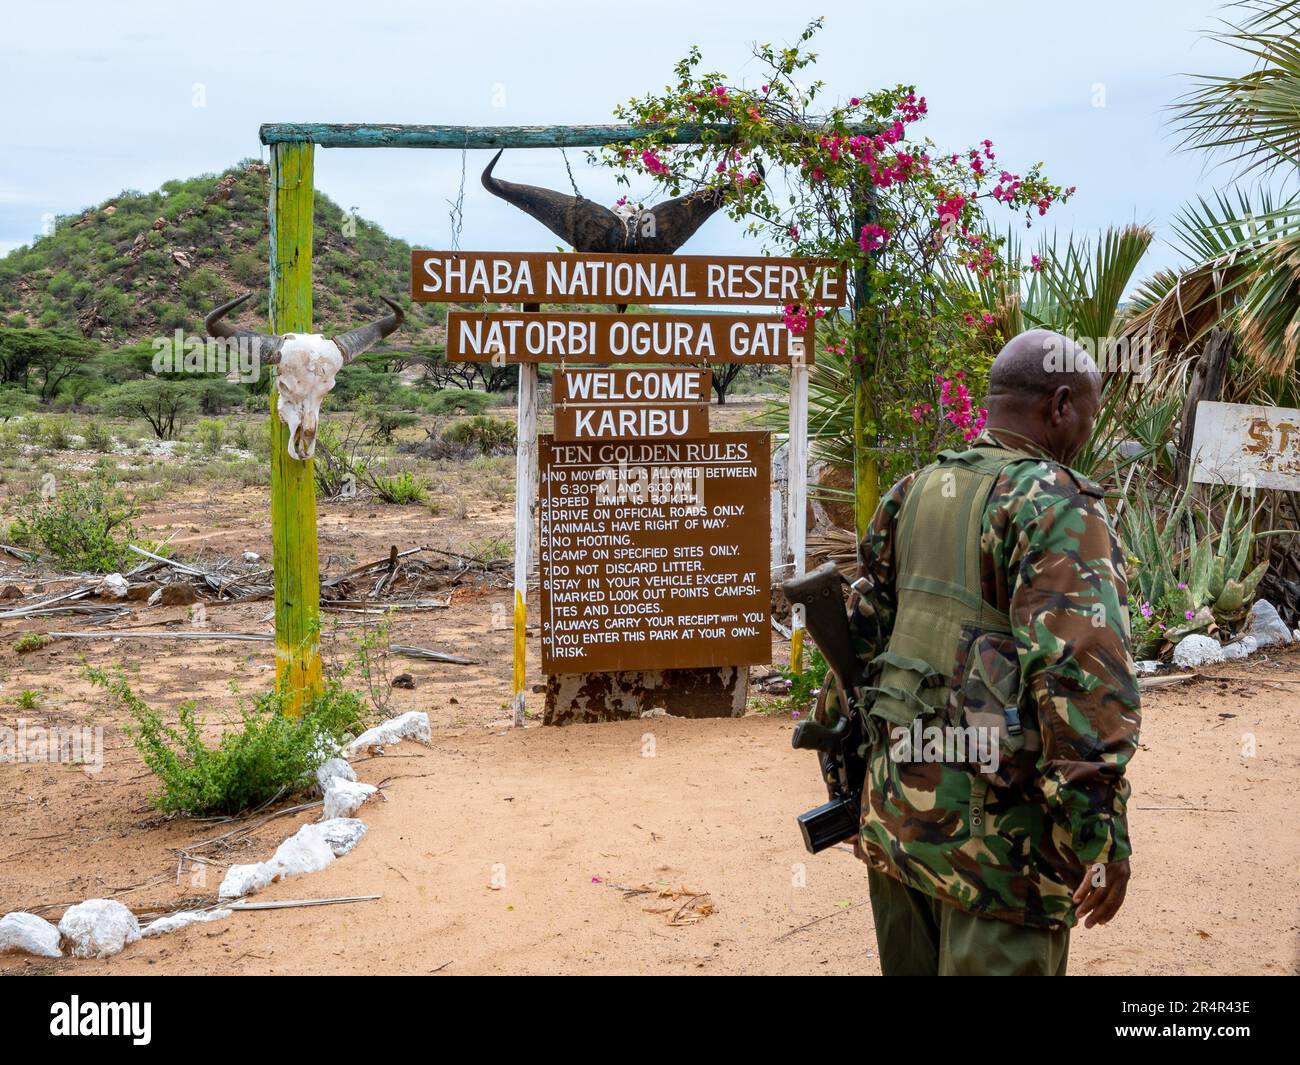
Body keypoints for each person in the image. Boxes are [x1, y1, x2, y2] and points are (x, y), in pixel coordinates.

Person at [819, 328, 1141, 976]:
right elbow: (1080, 681)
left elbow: (855, 647)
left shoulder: (915, 491)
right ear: (1058, 405)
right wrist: (1100, 834)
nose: (1086, 432)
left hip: (899, 827)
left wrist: (847, 786)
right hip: (1000, 862)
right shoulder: (1056, 506)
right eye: (1088, 413)